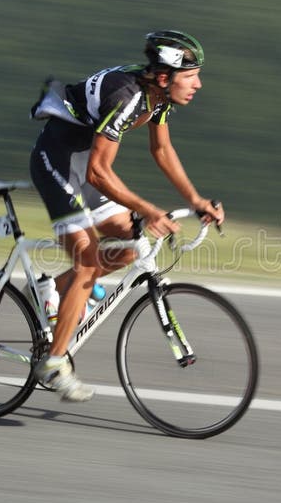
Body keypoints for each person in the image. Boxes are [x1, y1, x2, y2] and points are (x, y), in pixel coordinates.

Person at [28, 30, 224, 401]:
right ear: (165, 77)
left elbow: (162, 150)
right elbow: (99, 174)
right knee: (88, 263)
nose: (198, 84)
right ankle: (53, 364)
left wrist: (196, 200)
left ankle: (54, 291)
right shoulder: (127, 96)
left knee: (130, 249)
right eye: (192, 76)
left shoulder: (158, 95)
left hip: (85, 164)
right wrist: (148, 209)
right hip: (58, 162)